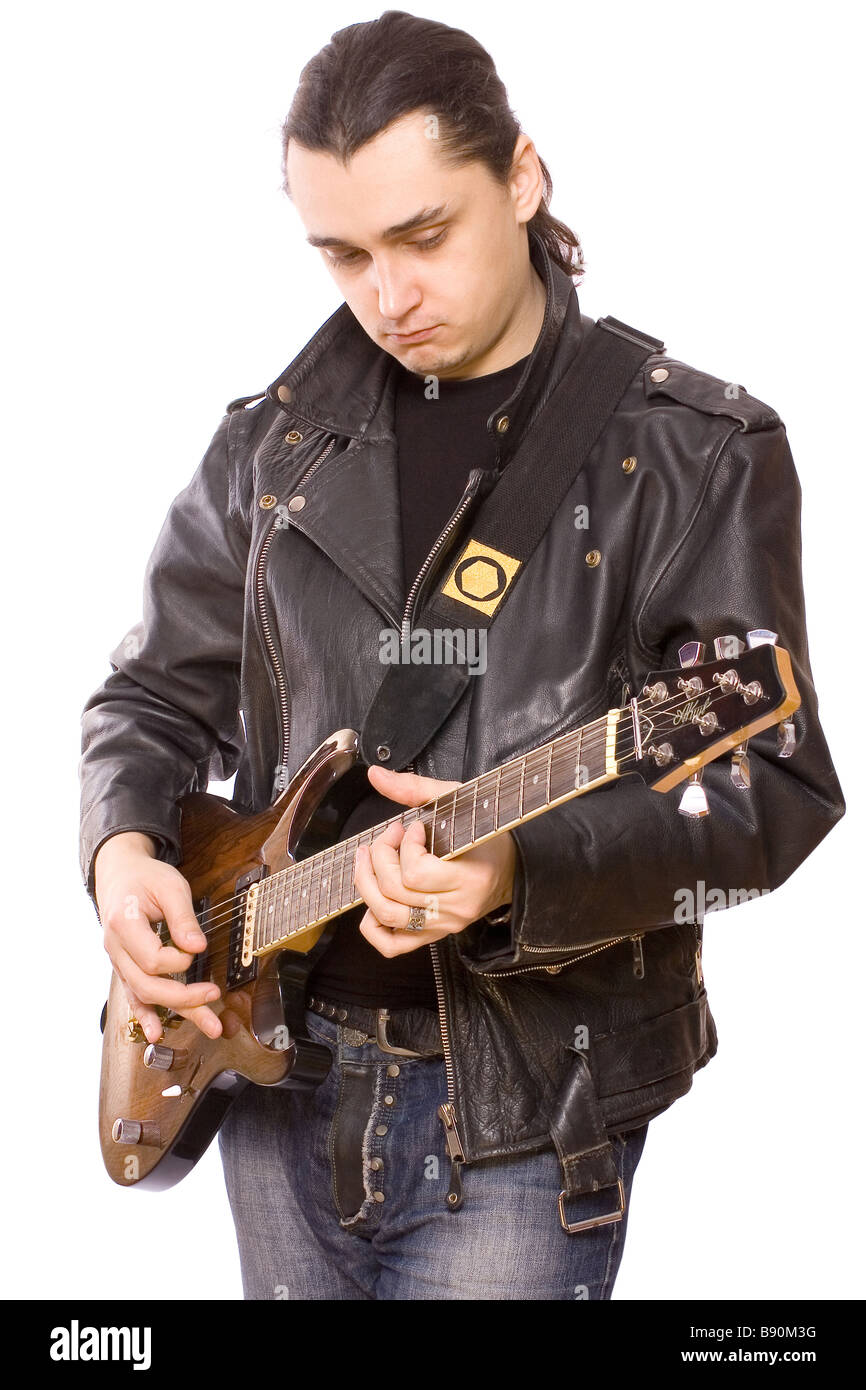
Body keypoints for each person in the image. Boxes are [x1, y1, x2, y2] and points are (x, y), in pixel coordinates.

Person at [79, 10, 845, 1301]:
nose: (389, 296)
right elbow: (152, 693)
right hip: (272, 1068)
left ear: (522, 177)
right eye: (343, 255)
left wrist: (519, 865)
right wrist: (125, 848)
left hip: (520, 1110)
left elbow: (767, 791)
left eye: (423, 236)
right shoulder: (271, 448)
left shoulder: (696, 447)